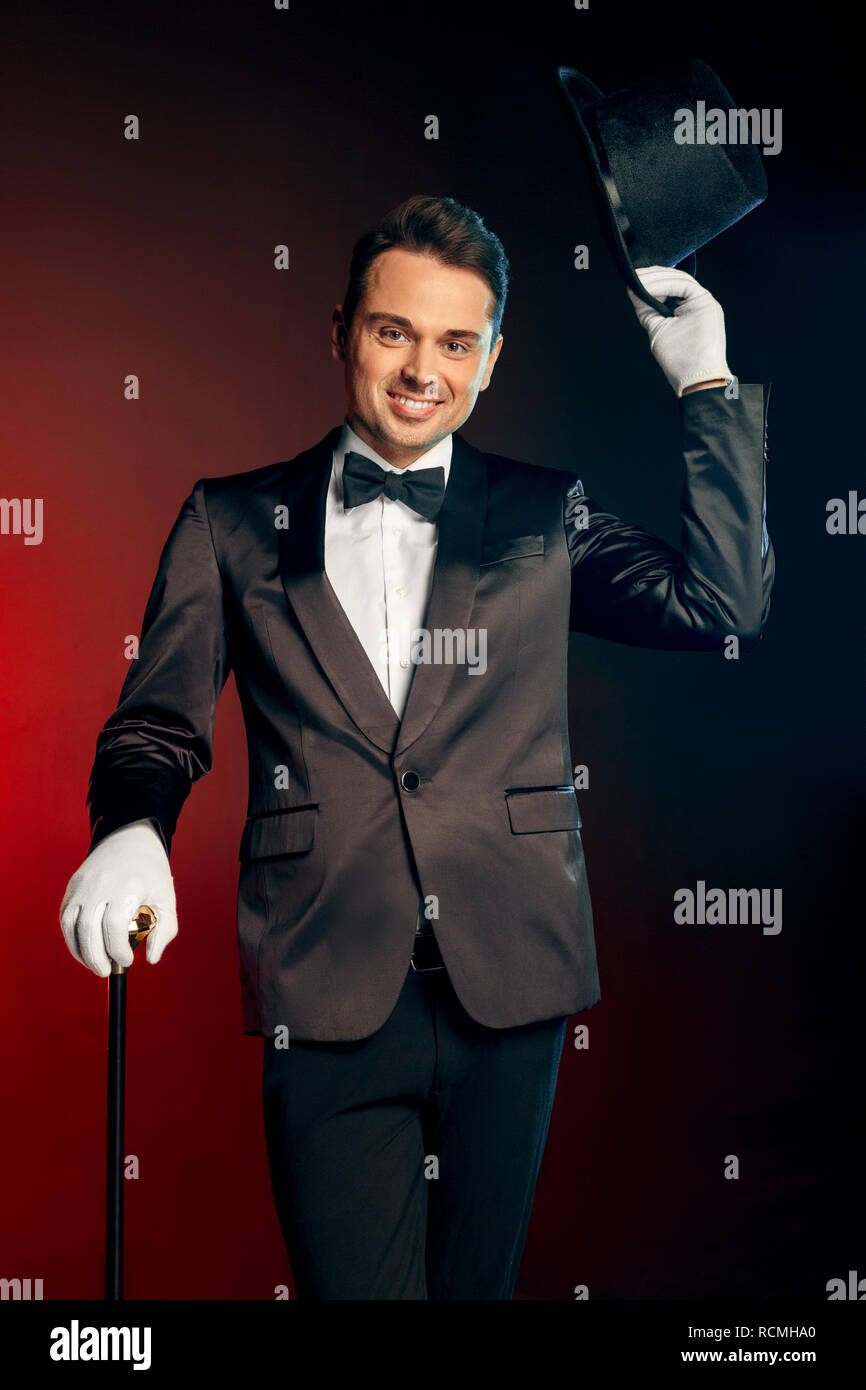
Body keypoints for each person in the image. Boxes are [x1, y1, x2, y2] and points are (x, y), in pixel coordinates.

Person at [60, 193, 774, 1299]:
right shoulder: (231, 520)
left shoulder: (545, 514)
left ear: (492, 359)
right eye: (393, 331)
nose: (419, 369)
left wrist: (705, 383)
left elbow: (718, 602)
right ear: (341, 328)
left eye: (454, 342)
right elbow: (156, 721)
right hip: (326, 981)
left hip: (512, 979)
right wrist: (131, 828)